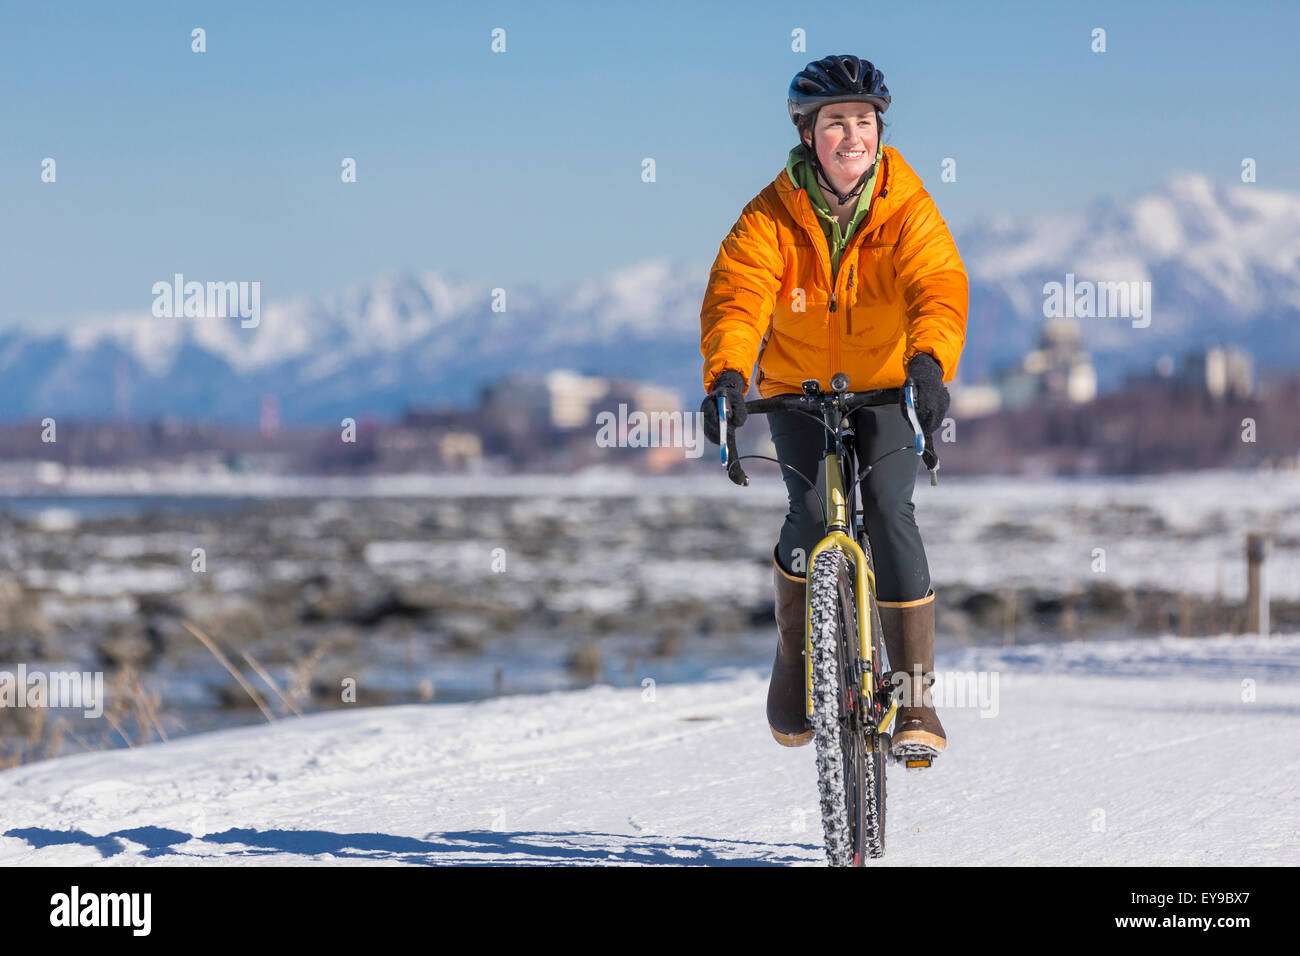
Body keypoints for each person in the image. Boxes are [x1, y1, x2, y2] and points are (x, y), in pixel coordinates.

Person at [698, 55, 968, 761]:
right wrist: (727, 375)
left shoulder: (906, 205)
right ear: (806, 133)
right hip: (796, 390)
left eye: (865, 121)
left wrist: (929, 365)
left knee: (889, 511)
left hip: (887, 385)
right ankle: (796, 655)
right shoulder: (769, 214)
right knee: (811, 515)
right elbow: (739, 295)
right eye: (835, 123)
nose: (853, 136)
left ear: (880, 129)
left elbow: (937, 284)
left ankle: (914, 699)